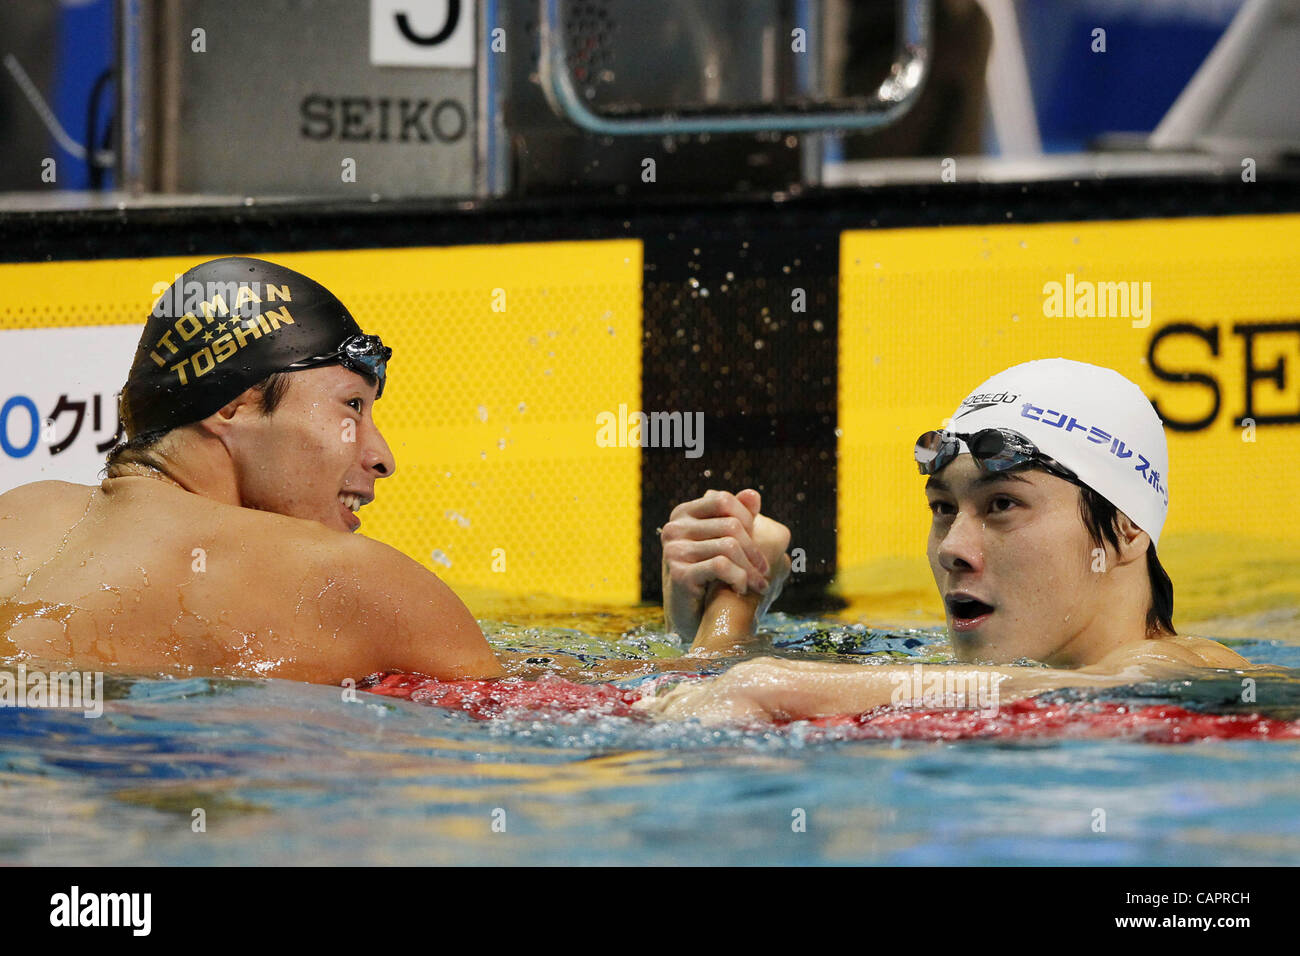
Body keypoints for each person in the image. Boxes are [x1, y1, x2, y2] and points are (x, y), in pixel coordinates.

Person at [0, 257, 730, 686]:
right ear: (237, 405)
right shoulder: (340, 576)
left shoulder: (21, 513)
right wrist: (732, 602)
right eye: (351, 405)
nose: (380, 456)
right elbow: (659, 713)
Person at [645, 358, 1253, 723]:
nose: (951, 548)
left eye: (1003, 505)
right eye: (942, 508)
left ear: (1126, 531)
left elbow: (1101, 694)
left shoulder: (1188, 674)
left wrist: (784, 686)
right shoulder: (930, 676)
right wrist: (736, 604)